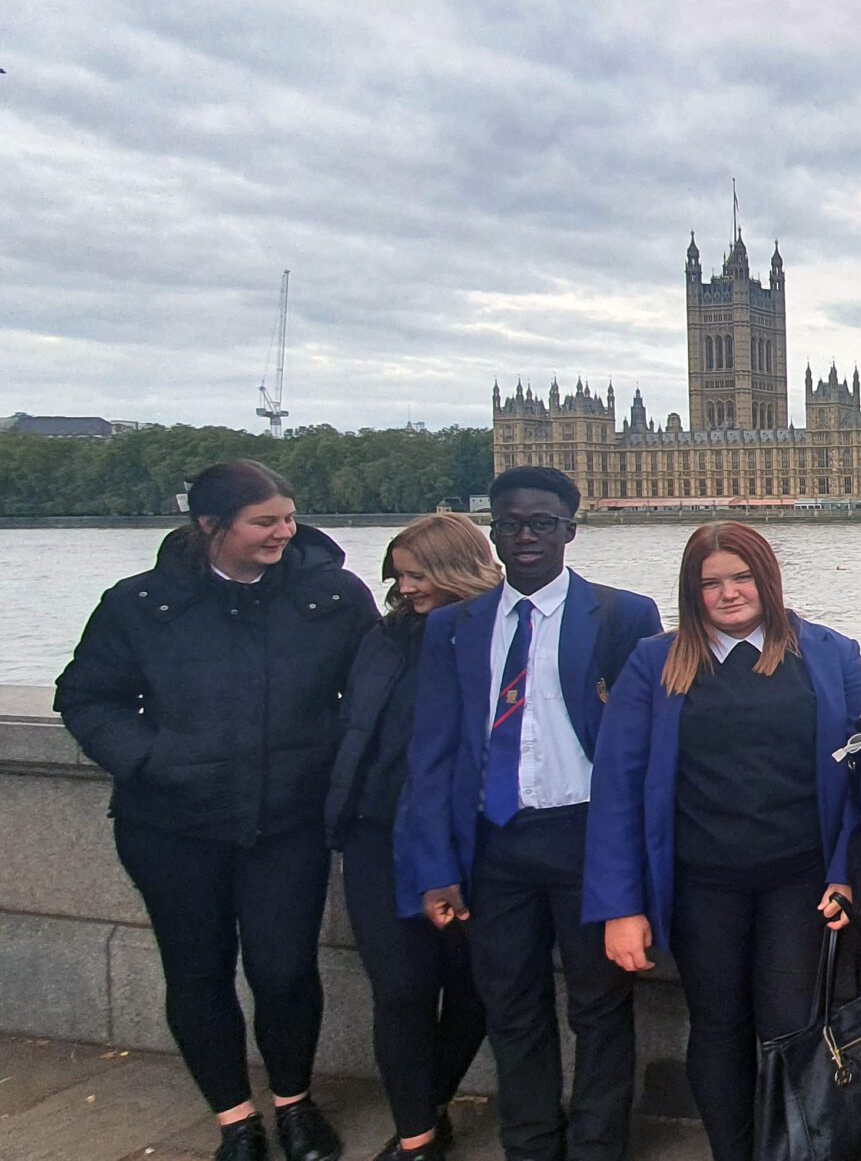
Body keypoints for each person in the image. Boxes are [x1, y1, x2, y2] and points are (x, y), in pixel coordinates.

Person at [57, 460, 377, 1161]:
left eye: (289, 518)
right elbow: (85, 697)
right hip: (170, 825)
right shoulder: (138, 603)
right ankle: (235, 1118)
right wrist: (151, 760)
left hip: (286, 821)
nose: (285, 534)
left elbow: (374, 694)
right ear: (210, 526)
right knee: (198, 972)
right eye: (265, 522)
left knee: (285, 970)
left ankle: (294, 1105)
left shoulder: (333, 596)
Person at [584, 521, 861, 1161]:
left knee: (789, 1027)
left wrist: (848, 871)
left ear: (766, 578)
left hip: (799, 881)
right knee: (717, 1028)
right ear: (692, 593)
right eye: (710, 583)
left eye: (741, 577)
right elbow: (616, 791)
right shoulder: (655, 662)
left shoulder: (831, 654)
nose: (729, 593)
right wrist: (620, 907)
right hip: (702, 882)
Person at [395, 466, 662, 1161]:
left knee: (600, 1009)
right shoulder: (454, 626)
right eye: (511, 524)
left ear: (571, 530)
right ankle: (532, 1145)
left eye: (542, 524)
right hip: (497, 842)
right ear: (493, 533)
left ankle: (599, 1146)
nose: (526, 537)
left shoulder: (624, 615)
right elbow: (434, 753)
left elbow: (645, 751)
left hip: (586, 839)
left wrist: (633, 862)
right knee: (511, 1009)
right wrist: (436, 869)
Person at [327, 514, 499, 1161]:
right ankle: (418, 1138)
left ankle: (425, 1108)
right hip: (377, 832)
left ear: (459, 569)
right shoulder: (384, 637)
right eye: (397, 576)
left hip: (468, 839)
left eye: (417, 574)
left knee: (477, 990)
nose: (405, 588)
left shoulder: (496, 636)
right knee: (399, 990)